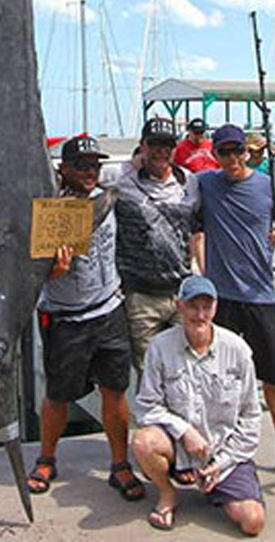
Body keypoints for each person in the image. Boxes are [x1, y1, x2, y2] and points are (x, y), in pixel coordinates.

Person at [192, 124, 275, 487]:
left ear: (247, 152)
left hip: (261, 297)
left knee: (274, 380)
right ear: (215, 155)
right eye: (224, 152)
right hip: (222, 300)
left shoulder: (269, 185)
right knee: (217, 382)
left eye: (237, 151)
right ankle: (217, 454)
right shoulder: (205, 184)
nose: (232, 158)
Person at [25, 135, 144, 501]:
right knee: (58, 395)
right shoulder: (48, 210)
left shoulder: (107, 199)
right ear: (63, 169)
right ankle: (46, 459)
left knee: (115, 390)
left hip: (109, 311)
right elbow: (34, 272)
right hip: (65, 317)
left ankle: (120, 464)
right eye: (81, 165)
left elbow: (143, 166)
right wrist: (54, 271)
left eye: (94, 165)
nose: (90, 172)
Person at [132, 276, 266, 535]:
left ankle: (217, 486)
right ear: (178, 306)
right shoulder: (160, 347)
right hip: (180, 447)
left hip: (222, 451)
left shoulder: (238, 349)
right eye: (193, 307)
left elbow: (251, 416)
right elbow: (146, 407)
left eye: (207, 307)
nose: (200, 315)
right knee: (143, 442)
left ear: (216, 307)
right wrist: (184, 431)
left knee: (253, 522)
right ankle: (168, 494)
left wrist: (221, 463)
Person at [115, 117, 198, 372]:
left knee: (187, 368)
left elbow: (199, 231)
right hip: (141, 297)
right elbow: (78, 177)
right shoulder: (120, 178)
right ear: (142, 145)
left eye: (167, 145)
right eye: (154, 144)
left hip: (181, 293)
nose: (161, 151)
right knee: (149, 372)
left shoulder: (190, 182)